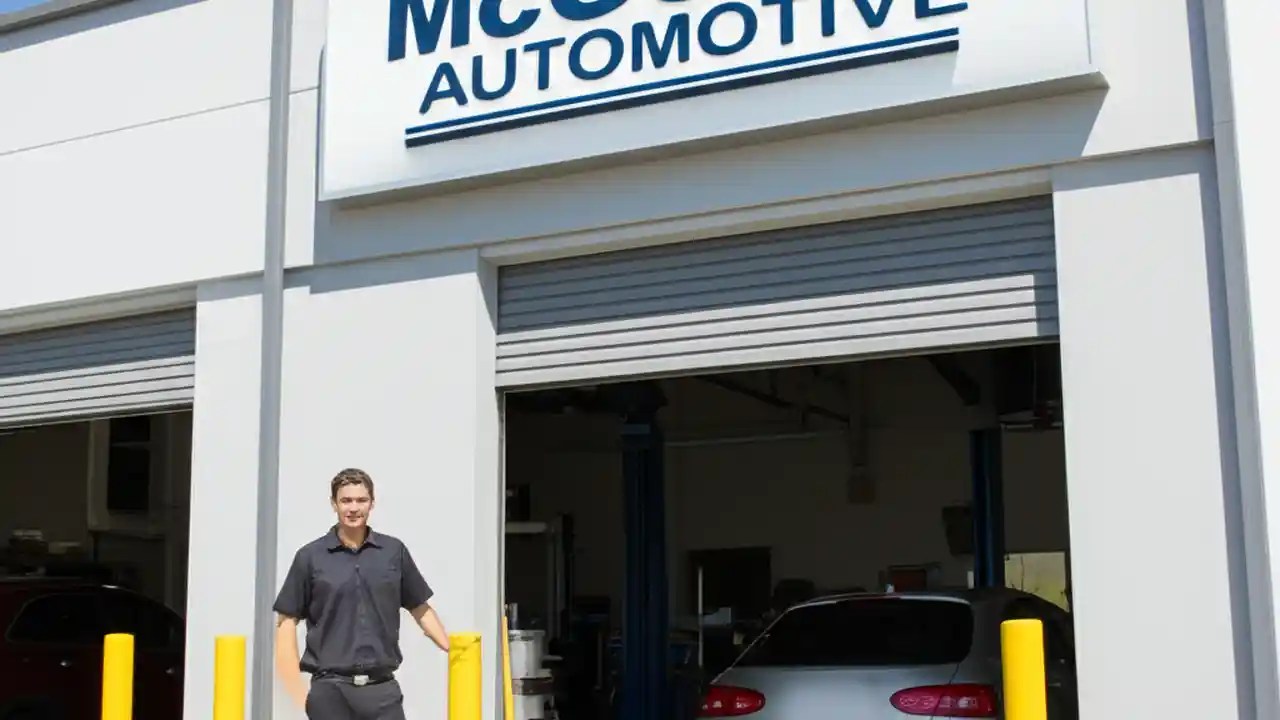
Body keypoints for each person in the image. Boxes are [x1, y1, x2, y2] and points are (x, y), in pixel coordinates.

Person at [274, 468, 450, 719]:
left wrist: (455, 650)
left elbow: (420, 607)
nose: (354, 508)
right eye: (346, 500)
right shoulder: (310, 557)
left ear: (372, 503)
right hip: (330, 691)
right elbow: (286, 622)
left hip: (382, 691)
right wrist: (299, 694)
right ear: (334, 504)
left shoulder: (393, 552)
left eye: (361, 500)